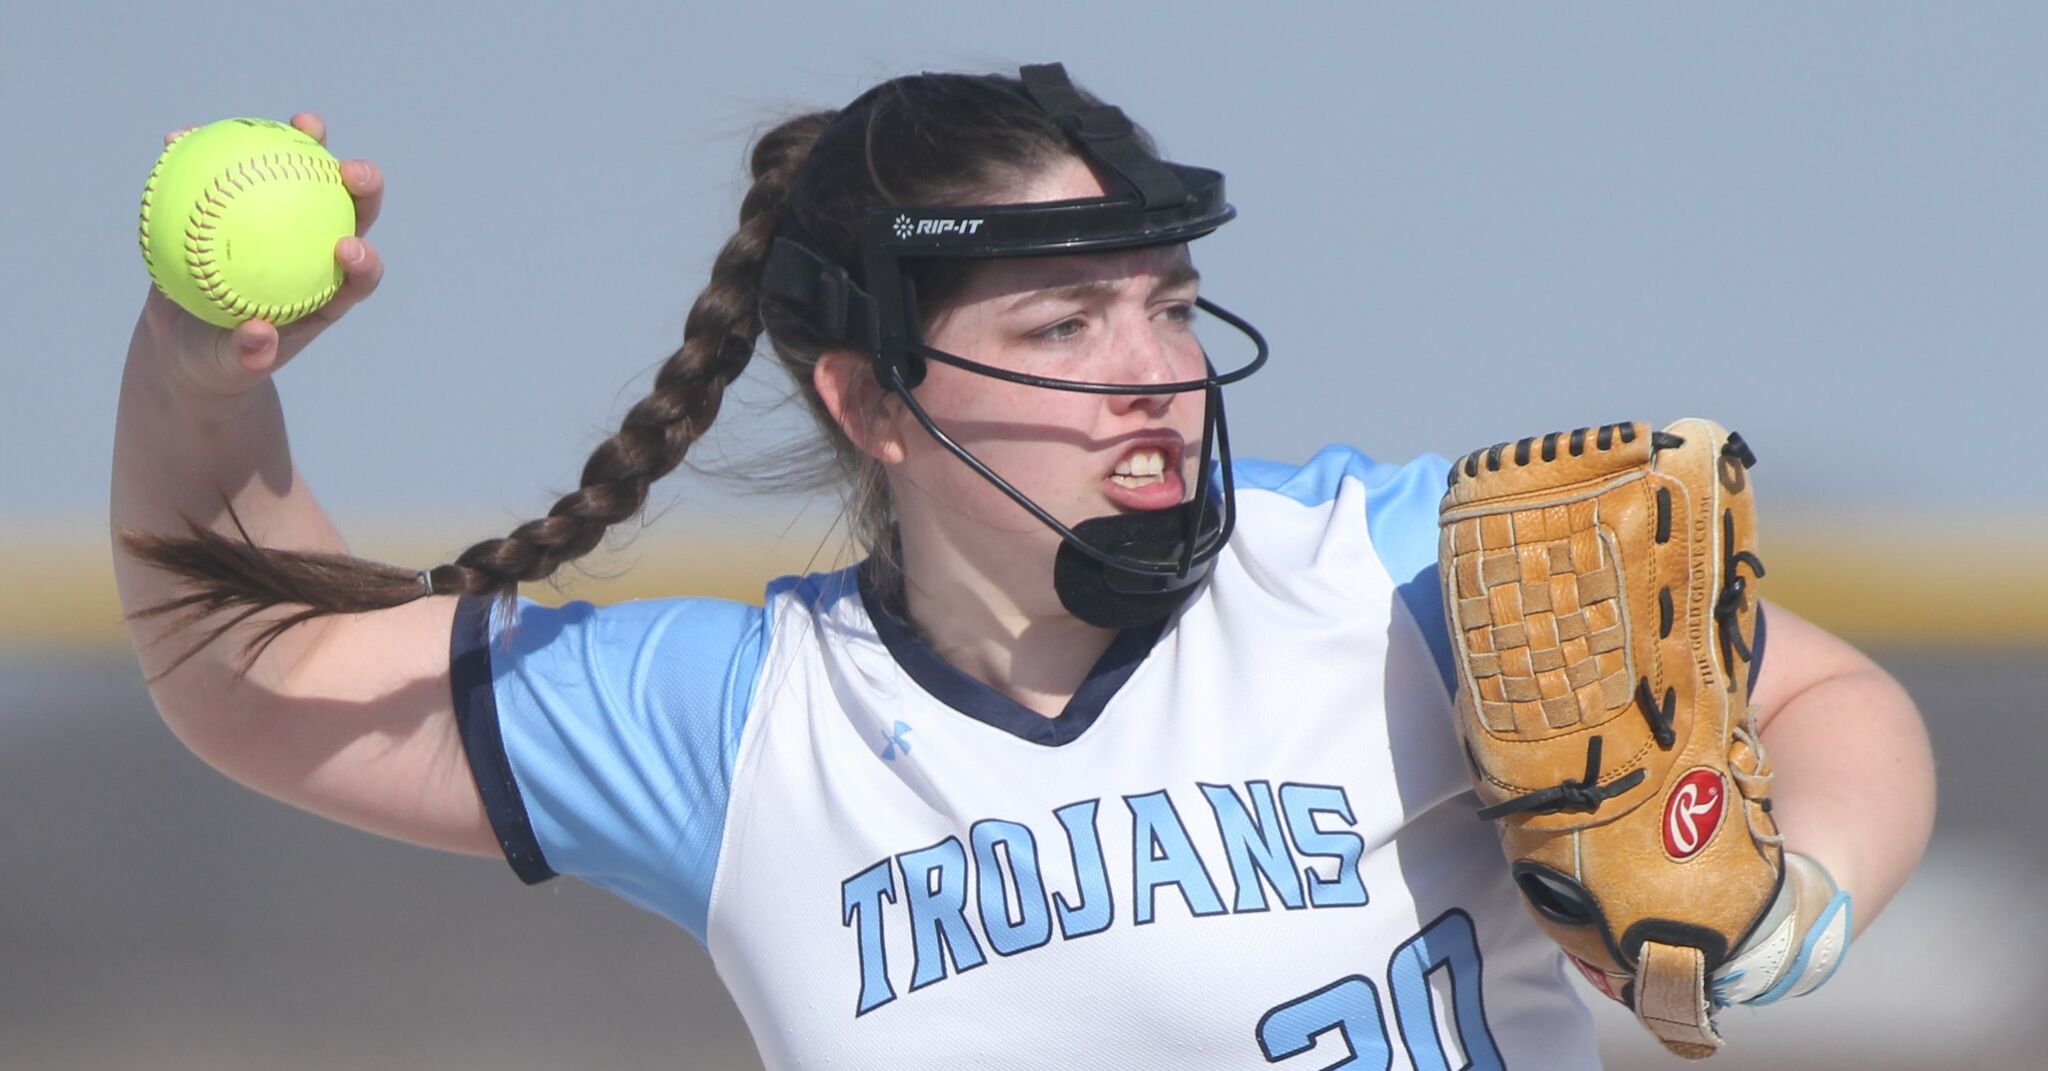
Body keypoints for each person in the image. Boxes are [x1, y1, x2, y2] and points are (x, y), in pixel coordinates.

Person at [112, 64, 1934, 1069]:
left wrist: (1807, 903)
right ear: (871, 400)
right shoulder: (746, 732)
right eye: (1064, 323)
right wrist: (200, 374)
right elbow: (254, 673)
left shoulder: (1380, 569)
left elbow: (1831, 694)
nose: (1153, 369)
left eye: (1164, 305)